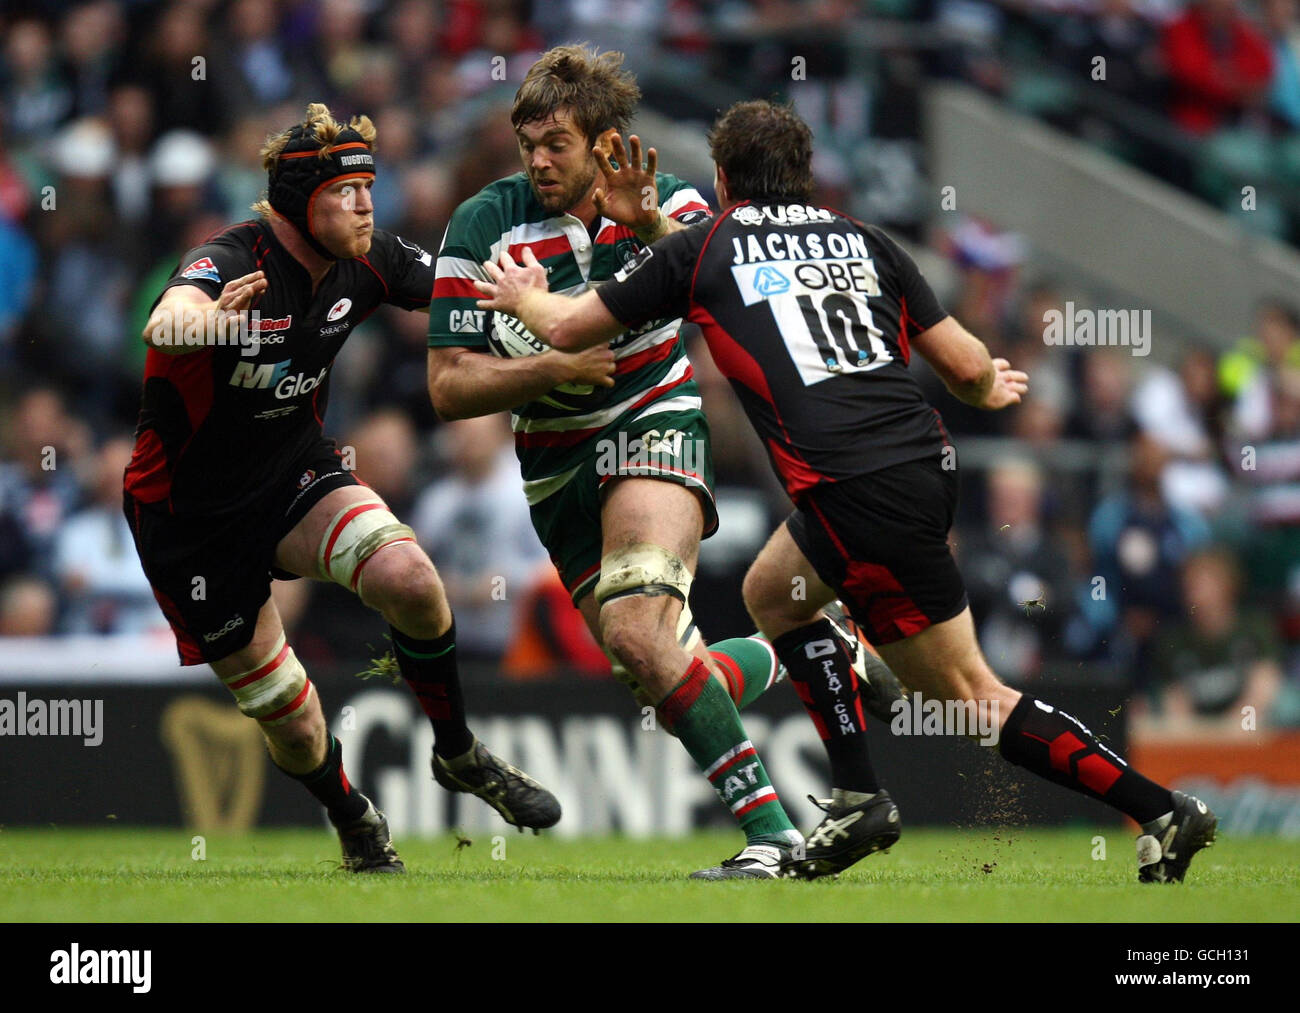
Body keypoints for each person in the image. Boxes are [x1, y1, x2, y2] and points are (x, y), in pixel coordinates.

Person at [475, 99, 1219, 884]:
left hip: (851, 482)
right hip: (924, 466)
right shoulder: (866, 240)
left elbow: (566, 329)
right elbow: (967, 369)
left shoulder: (707, 246)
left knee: (968, 692)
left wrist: (522, 294)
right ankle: (884, 795)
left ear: (723, 179)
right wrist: (990, 384)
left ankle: (1142, 807)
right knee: (779, 594)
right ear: (806, 176)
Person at [428, 45, 869, 878]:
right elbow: (449, 388)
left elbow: (733, 292)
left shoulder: (673, 200)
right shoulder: (483, 223)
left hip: (651, 419)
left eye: (556, 142)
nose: (537, 161)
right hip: (553, 464)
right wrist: (550, 366)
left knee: (635, 627)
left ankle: (771, 836)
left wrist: (650, 230)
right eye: (528, 144)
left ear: (605, 141)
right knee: (657, 668)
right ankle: (825, 647)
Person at [123, 102, 561, 875]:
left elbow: (458, 291)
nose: (366, 204)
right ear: (299, 203)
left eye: (369, 186)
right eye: (345, 192)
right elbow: (168, 319)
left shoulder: (368, 259)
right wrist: (207, 326)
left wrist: (526, 301)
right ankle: (351, 813)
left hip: (294, 470)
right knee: (286, 717)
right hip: (187, 519)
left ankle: (458, 752)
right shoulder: (234, 261)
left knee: (410, 576)